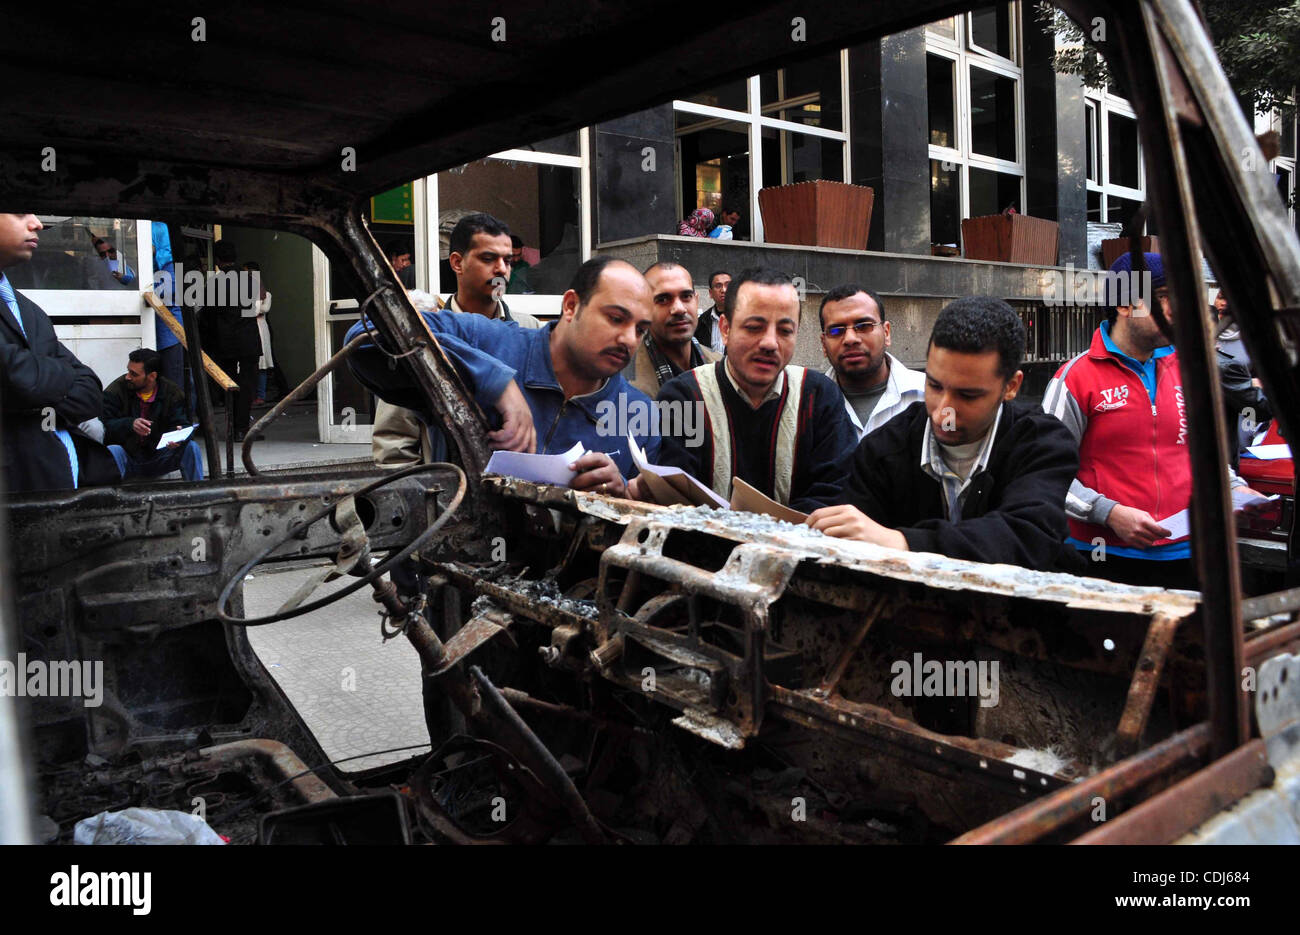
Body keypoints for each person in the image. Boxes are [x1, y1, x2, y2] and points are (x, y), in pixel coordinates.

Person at [808, 296, 1081, 572]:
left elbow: (1026, 538)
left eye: (968, 395)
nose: (943, 412)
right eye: (935, 386)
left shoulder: (1042, 443)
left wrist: (902, 543)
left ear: (1011, 386)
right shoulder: (881, 449)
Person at [348, 255, 661, 493]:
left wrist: (620, 491)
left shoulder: (639, 414)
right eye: (616, 318)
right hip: (455, 564)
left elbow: (653, 522)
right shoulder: (489, 340)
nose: (628, 339)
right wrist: (492, 379)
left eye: (641, 330)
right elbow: (366, 336)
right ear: (570, 305)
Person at [1042, 252, 1261, 588]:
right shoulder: (1074, 379)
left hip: (1188, 555)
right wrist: (1109, 513)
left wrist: (1235, 490)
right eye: (1162, 297)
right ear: (1124, 305)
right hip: (1102, 557)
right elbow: (1045, 475)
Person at [647, 267, 856, 511]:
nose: (769, 343)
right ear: (725, 329)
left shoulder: (819, 396)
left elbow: (836, 494)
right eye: (754, 327)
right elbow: (676, 500)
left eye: (785, 331)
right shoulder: (684, 398)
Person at [1, 213, 119, 493]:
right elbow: (16, 376)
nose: (37, 223)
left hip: (62, 490)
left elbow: (90, 390)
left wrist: (39, 381)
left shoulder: (28, 309)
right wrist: (60, 375)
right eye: (20, 213)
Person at [819, 283, 926, 440]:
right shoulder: (808, 407)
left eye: (863, 326)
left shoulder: (928, 395)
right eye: (836, 330)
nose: (850, 339)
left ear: (886, 333)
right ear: (823, 344)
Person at [102, 348, 205, 482]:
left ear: (152, 376)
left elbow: (183, 424)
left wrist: (178, 437)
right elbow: (105, 424)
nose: (128, 377)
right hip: (128, 457)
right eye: (128, 371)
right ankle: (111, 500)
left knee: (191, 448)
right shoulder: (116, 390)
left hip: (159, 456)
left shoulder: (172, 392)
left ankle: (197, 494)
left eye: (134, 374)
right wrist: (129, 424)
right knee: (113, 450)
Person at [624, 263, 721, 397]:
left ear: (696, 301)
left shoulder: (721, 368)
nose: (679, 308)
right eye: (663, 299)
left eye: (686, 296)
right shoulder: (622, 382)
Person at [445, 213, 539, 328]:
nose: (502, 269)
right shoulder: (431, 333)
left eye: (507, 261)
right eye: (488, 259)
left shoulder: (530, 329)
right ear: (457, 263)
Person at [207, 240, 260, 440]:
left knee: (229, 385)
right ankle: (242, 428)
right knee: (248, 385)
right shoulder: (250, 280)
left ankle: (232, 428)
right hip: (248, 339)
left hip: (225, 340)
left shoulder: (214, 283)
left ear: (219, 260)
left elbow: (210, 314)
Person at [1214, 291, 1270, 468]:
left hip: (1246, 411)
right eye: (1220, 297)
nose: (1223, 304)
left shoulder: (1256, 339)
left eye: (1228, 299)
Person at [242, 261, 275, 405]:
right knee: (247, 364)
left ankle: (260, 395)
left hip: (260, 329)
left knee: (262, 364)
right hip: (247, 328)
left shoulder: (266, 294)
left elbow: (259, 309)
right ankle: (249, 395)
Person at [695, 270, 730, 354]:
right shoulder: (702, 322)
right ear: (710, 293)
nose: (724, 290)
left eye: (728, 285)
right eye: (718, 286)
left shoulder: (744, 318)